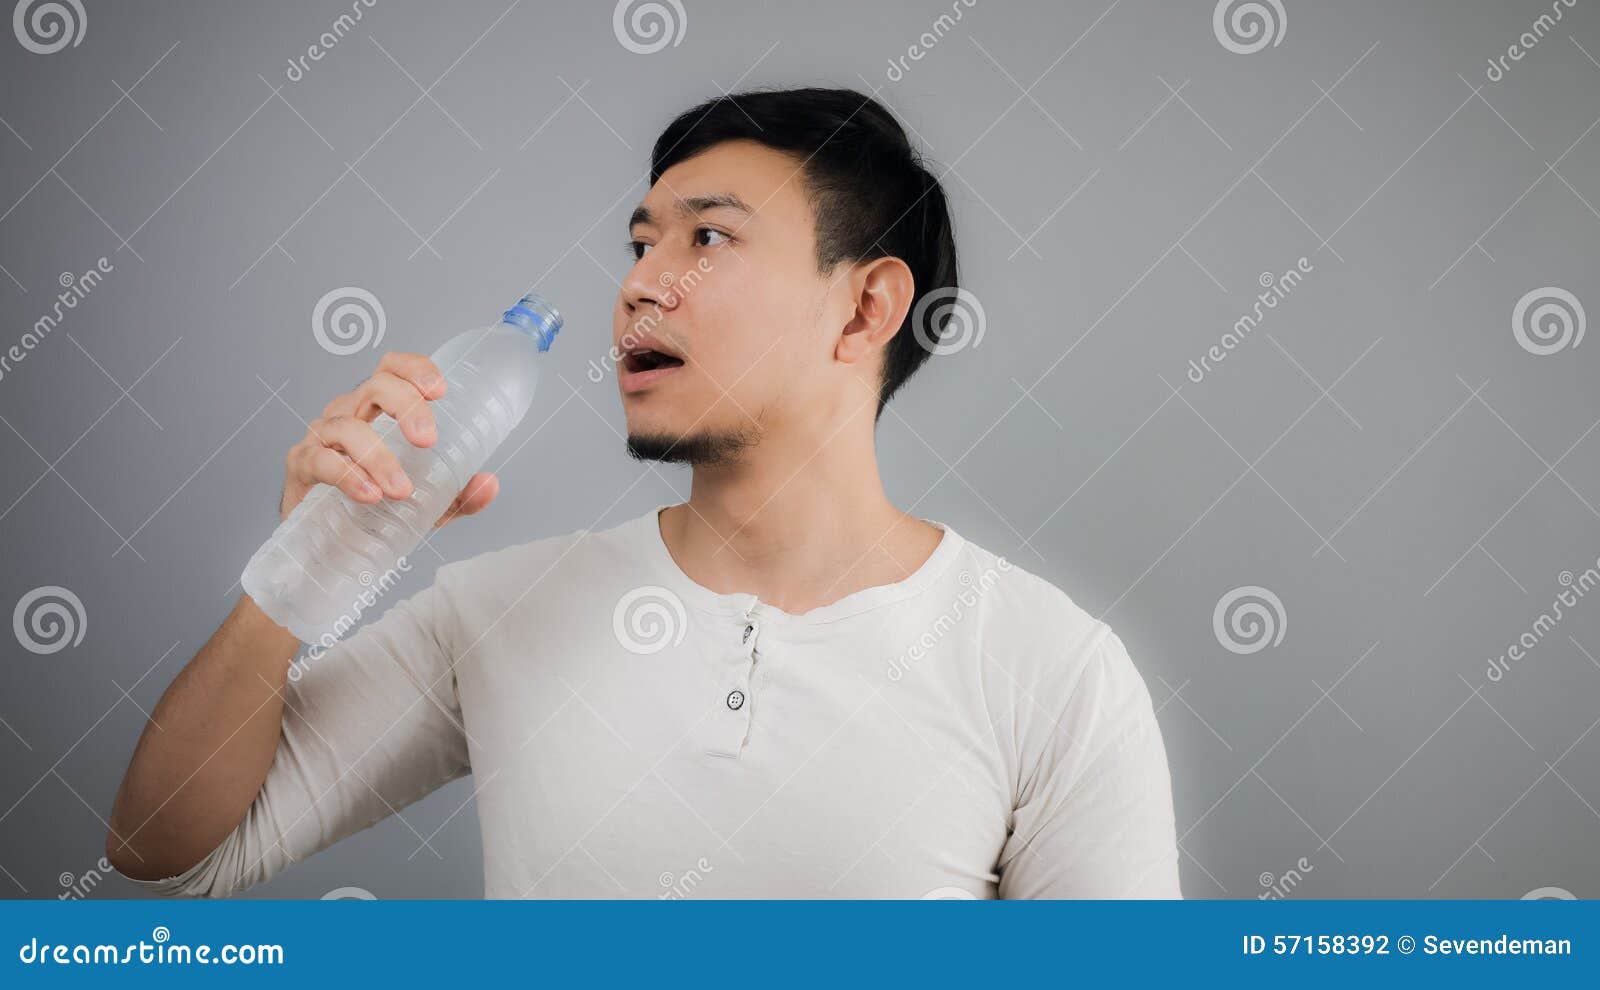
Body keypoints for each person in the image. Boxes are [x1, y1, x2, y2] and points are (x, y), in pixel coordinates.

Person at [105, 87, 1180, 899]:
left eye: (707, 238)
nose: (638, 283)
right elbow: (171, 854)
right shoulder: (501, 611)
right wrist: (296, 576)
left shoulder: (1048, 667)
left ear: (862, 312)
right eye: (639, 242)